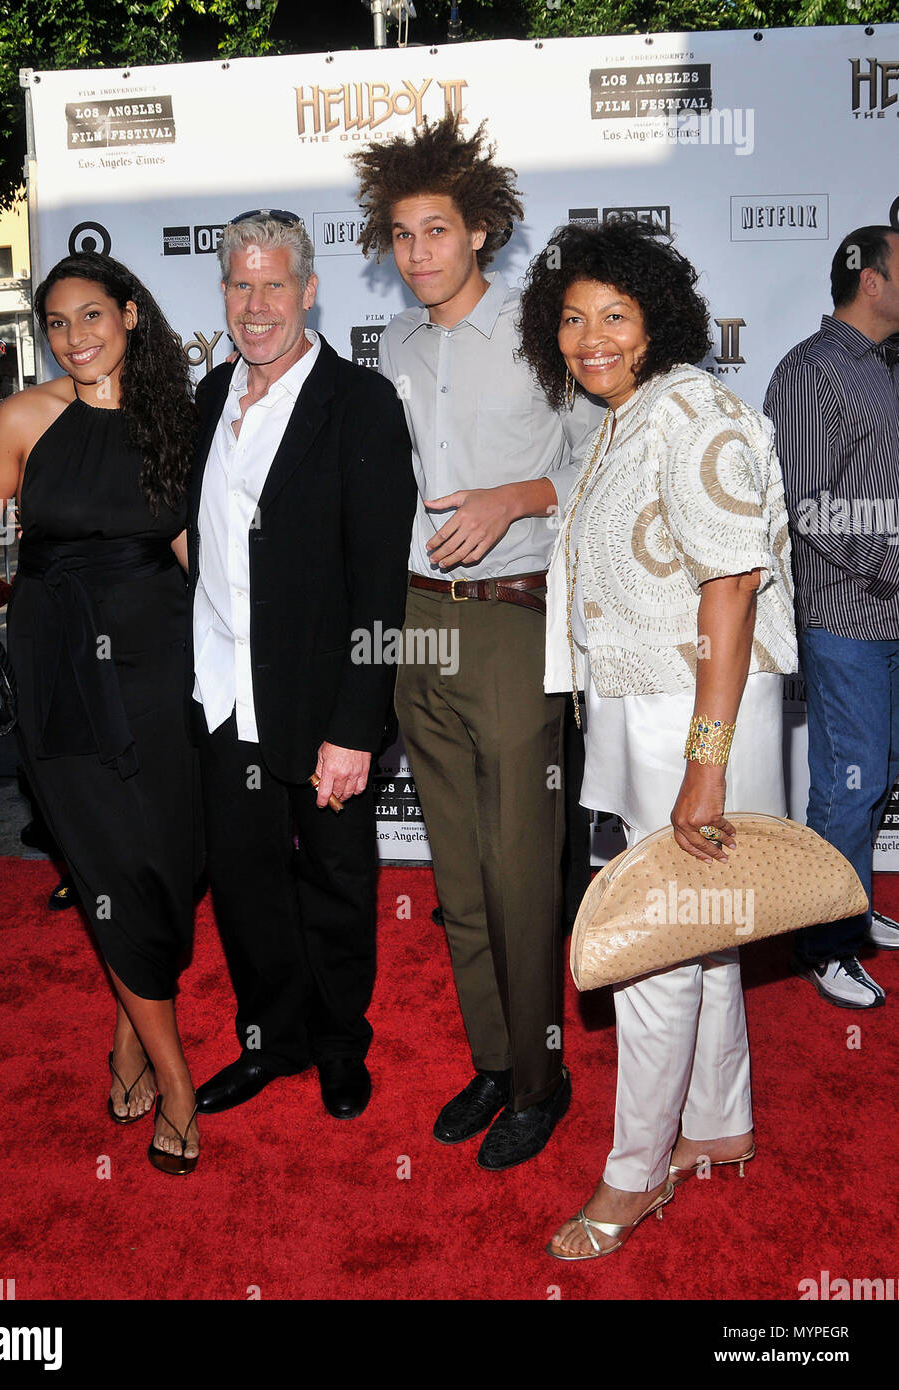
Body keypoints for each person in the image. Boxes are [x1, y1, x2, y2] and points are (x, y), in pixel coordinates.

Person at [519, 219, 796, 1257]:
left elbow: (730, 588)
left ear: (657, 321)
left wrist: (705, 765)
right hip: (647, 711)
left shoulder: (695, 414)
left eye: (614, 317)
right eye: (573, 319)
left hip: (693, 718)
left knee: (652, 954)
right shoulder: (630, 416)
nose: (589, 338)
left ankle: (632, 1175)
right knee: (703, 932)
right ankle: (718, 1122)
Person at [350, 116, 603, 1170]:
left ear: (483, 230)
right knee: (457, 878)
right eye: (402, 234)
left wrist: (516, 495)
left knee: (518, 874)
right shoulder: (395, 344)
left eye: (437, 230)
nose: (418, 253)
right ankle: (495, 1060)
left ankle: (544, 1078)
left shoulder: (546, 329)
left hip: (512, 620)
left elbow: (604, 450)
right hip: (420, 623)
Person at [0, 252, 203, 1174]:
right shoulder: (22, 418)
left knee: (172, 866)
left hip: (164, 662)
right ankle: (174, 1081)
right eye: (57, 323)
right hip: (61, 663)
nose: (75, 337)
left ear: (130, 315)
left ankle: (128, 1041)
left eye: (92, 315)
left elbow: (185, 546)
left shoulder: (172, 416)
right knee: (108, 862)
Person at [190, 211, 415, 1123]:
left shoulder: (358, 402)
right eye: (240, 286)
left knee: (335, 880)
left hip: (322, 705)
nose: (256, 306)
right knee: (243, 886)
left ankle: (337, 1045)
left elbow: (378, 585)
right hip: (218, 694)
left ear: (309, 290)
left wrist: (356, 726)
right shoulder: (211, 394)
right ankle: (269, 1040)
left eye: (274, 285)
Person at [765, 225, 899, 1009]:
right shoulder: (811, 372)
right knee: (848, 784)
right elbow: (806, 504)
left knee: (875, 775)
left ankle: (848, 907)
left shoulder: (887, 366)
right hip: (845, 613)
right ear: (871, 282)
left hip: (887, 614)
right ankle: (823, 943)